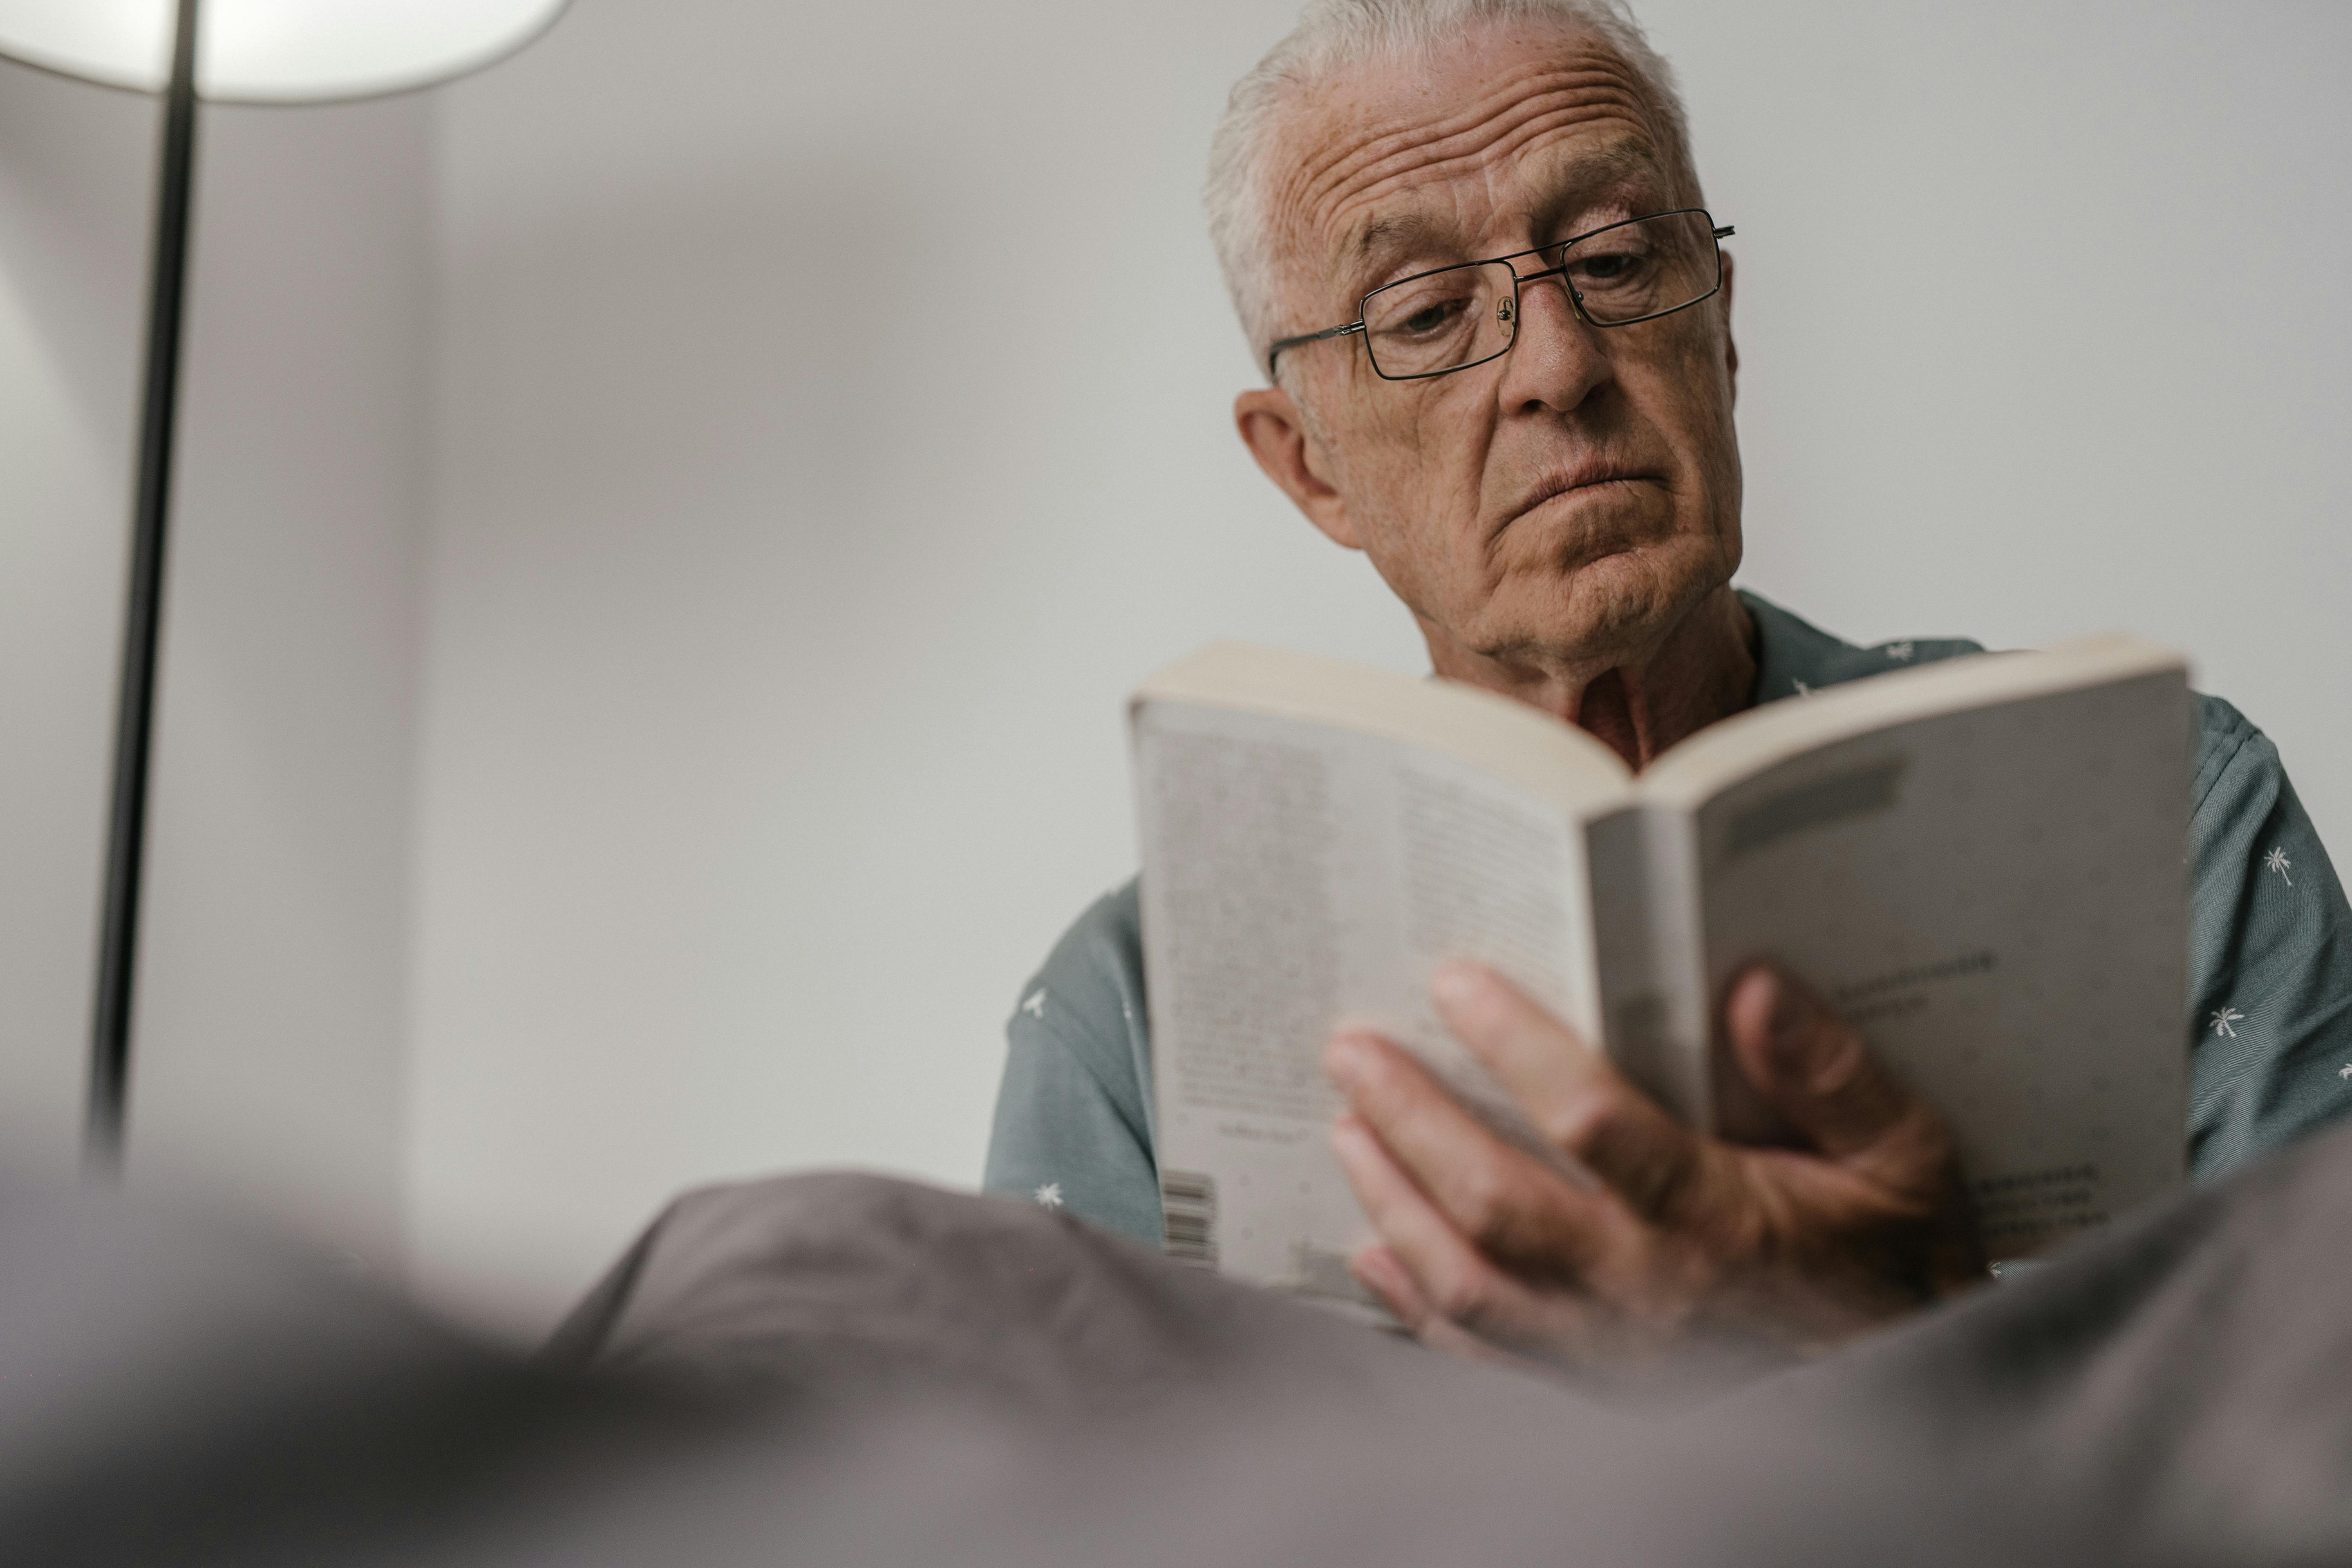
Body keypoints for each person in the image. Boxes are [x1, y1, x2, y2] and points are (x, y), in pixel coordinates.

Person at [983, 0, 2352, 1368]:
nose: (1560, 365)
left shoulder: (2156, 809)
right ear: (1309, 466)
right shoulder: (1133, 1011)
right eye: (1423, 311)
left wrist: (1903, 1362)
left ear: (1724, 327)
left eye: (1619, 257)